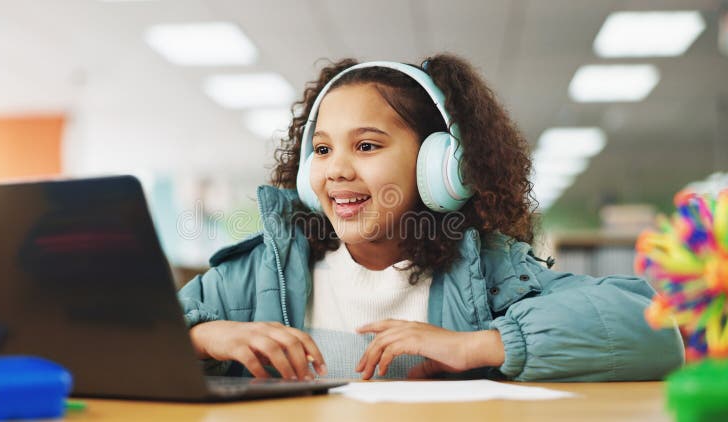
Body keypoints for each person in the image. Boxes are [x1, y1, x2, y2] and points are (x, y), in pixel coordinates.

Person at [177, 54, 684, 381]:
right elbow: (113, 338)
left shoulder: (492, 274)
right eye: (324, 149)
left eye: (367, 145)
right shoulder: (254, 276)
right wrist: (201, 336)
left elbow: (652, 330)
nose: (337, 170)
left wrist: (480, 345)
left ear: (441, 165)